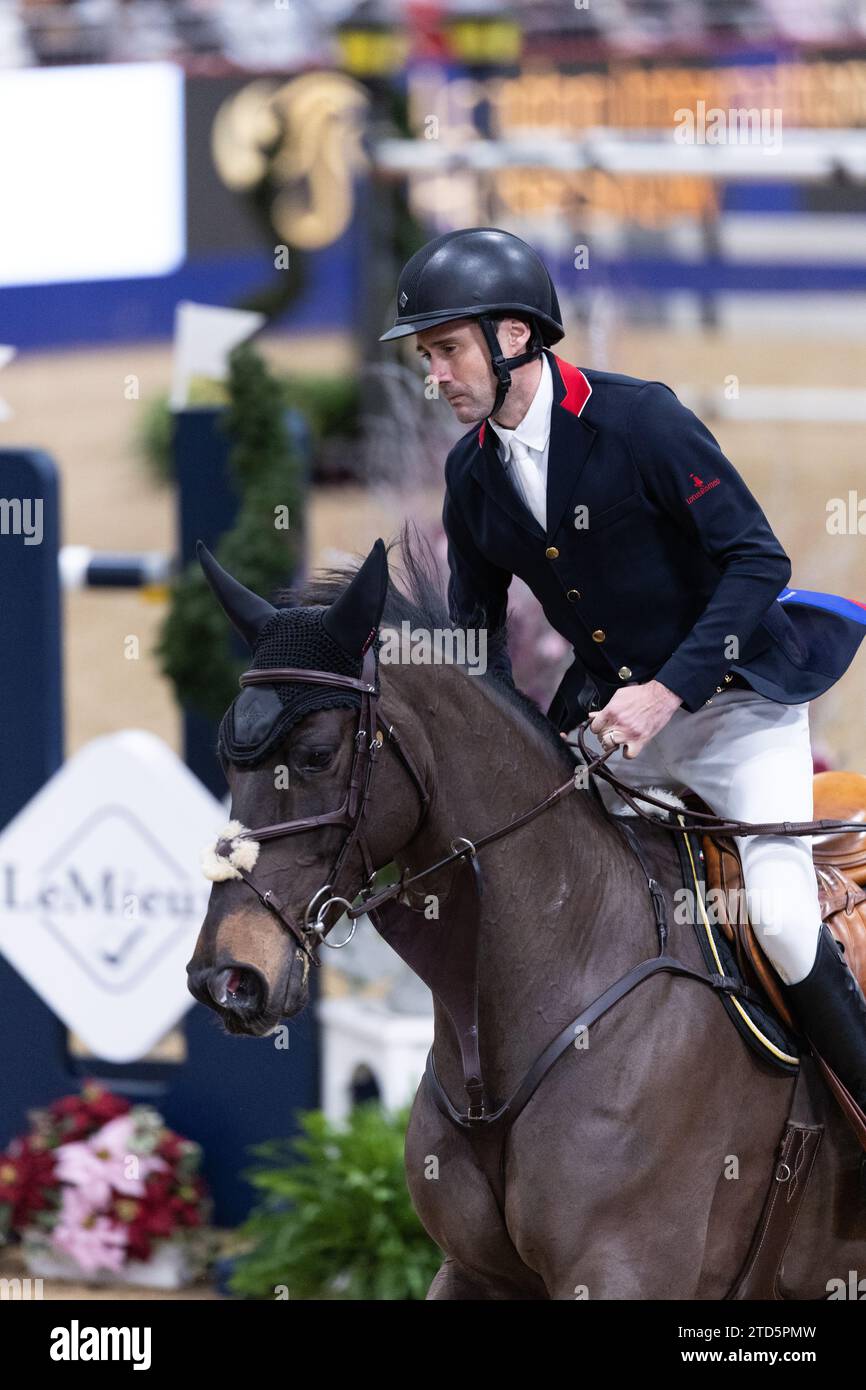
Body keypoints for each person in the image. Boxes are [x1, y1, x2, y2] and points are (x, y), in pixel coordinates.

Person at [380, 225, 866, 1122]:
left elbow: (758, 564)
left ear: (513, 337)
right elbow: (476, 645)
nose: (434, 375)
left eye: (446, 350)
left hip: (733, 712)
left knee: (785, 925)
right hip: (613, 733)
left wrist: (664, 690)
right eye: (427, 356)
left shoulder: (639, 420)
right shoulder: (472, 473)